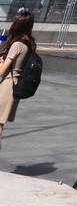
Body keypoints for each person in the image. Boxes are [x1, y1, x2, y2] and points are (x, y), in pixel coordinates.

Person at [0, 11, 36, 149]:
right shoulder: (29, 43)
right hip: (14, 85)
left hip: (7, 86)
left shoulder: (17, 45)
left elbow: (2, 70)